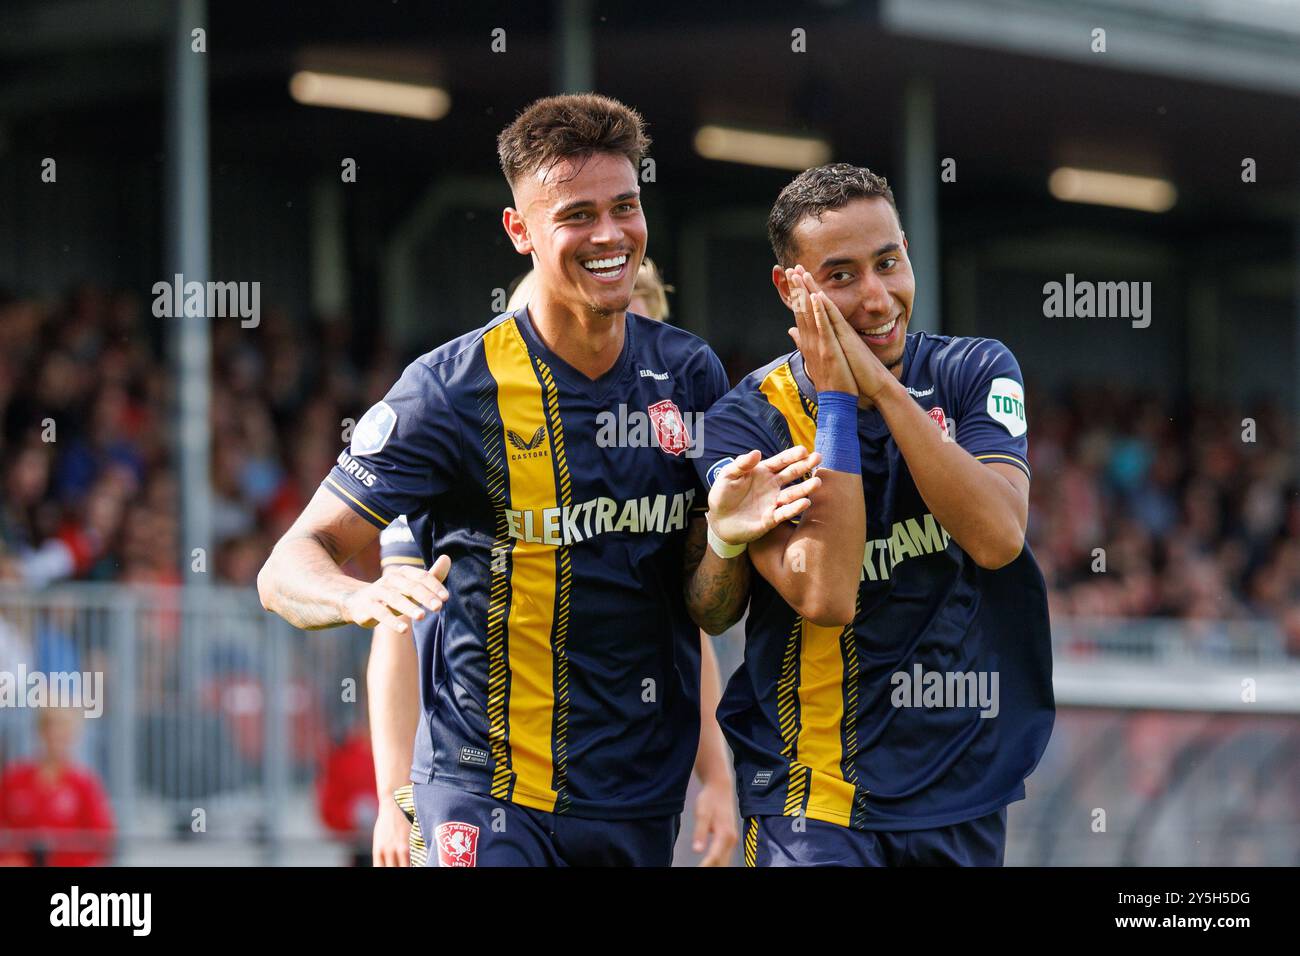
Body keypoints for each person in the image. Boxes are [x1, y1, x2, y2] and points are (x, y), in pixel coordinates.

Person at [258, 93, 817, 866]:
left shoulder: (686, 371)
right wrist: (357, 597)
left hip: (636, 796)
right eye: (577, 215)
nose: (610, 234)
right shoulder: (450, 391)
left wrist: (724, 538)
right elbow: (287, 564)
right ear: (520, 231)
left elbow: (706, 610)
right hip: (484, 791)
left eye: (625, 207)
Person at [694, 163, 1055, 866]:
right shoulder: (745, 422)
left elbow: (998, 538)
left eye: (888, 263)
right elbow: (826, 598)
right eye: (841, 276)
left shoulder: (976, 371)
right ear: (790, 287)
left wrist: (883, 391)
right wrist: (835, 401)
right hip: (810, 787)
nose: (876, 297)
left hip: (959, 783)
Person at [370, 257, 739, 867]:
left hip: (624, 789)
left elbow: (688, 632)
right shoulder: (461, 425)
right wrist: (392, 795)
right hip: (480, 774)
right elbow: (395, 624)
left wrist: (717, 775)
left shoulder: (675, 415)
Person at [0, 707, 115, 866]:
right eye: (51, 727)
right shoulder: (14, 779)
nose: (56, 736)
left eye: (64, 729)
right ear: (40, 731)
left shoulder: (84, 784)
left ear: (73, 735)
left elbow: (101, 839)